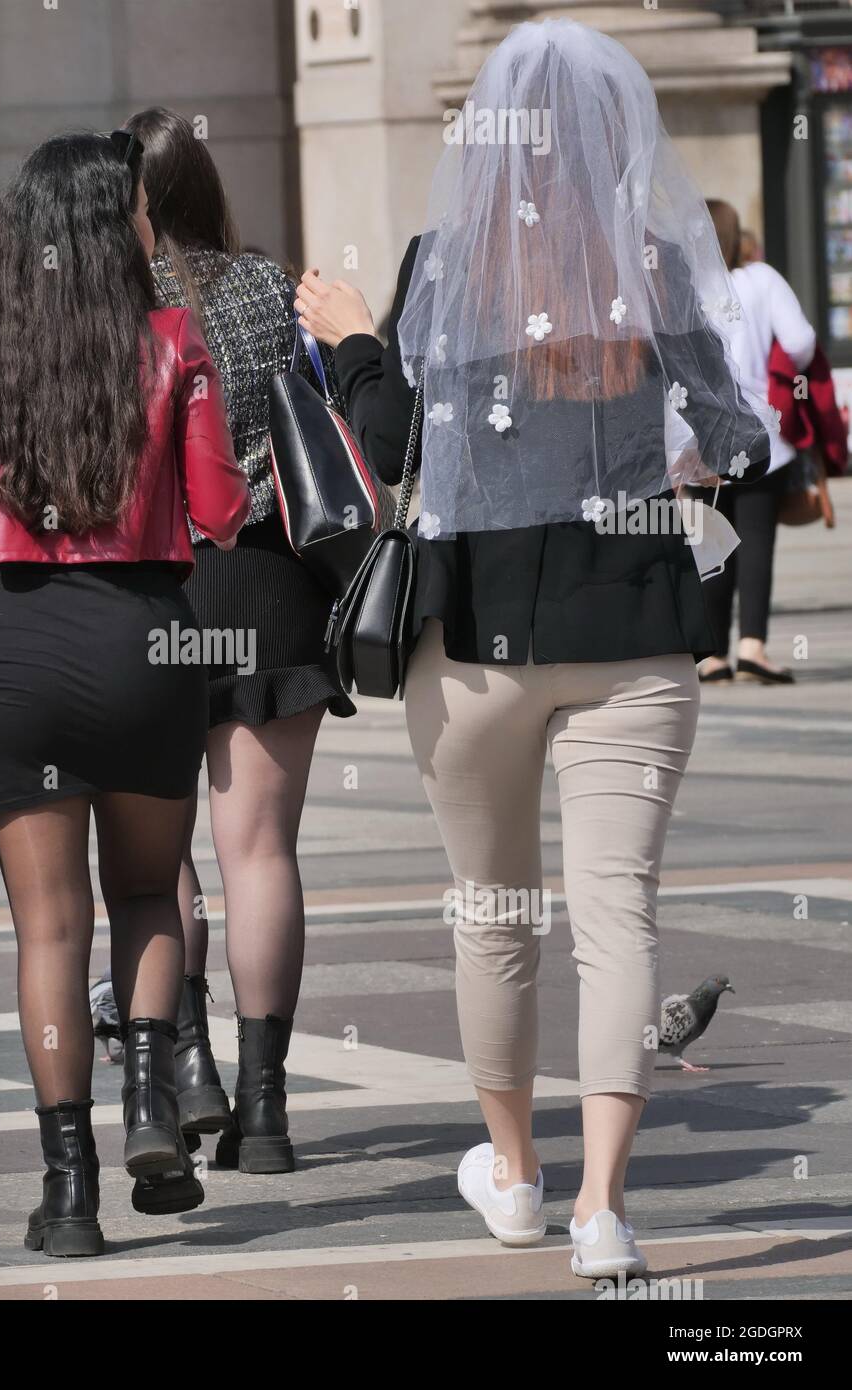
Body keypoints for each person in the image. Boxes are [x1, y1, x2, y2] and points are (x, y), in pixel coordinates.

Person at [295, 18, 771, 1279]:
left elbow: (398, 440)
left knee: (493, 914)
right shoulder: (657, 266)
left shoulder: (449, 267)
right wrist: (668, 462)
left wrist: (349, 337)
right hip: (632, 634)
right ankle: (603, 1212)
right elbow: (740, 437)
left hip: (475, 643)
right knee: (618, 919)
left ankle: (511, 1173)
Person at [0, 131, 250, 1258]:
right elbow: (219, 511)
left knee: (48, 928)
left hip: (11, 647)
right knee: (149, 893)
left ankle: (66, 1195)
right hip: (141, 639)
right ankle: (154, 1099)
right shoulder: (169, 344)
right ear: (115, 229)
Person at [124, 106, 354, 1175]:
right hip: (270, 590)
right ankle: (265, 1116)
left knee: (157, 861)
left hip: (157, 597)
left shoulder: (114, 305)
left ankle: (188, 1063)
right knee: (261, 851)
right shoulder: (268, 286)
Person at [695, 200, 816, 684]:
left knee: (711, 546)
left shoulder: (684, 284)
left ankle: (710, 656)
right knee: (757, 540)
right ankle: (752, 650)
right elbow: (802, 339)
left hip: (700, 435)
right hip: (762, 431)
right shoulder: (762, 279)